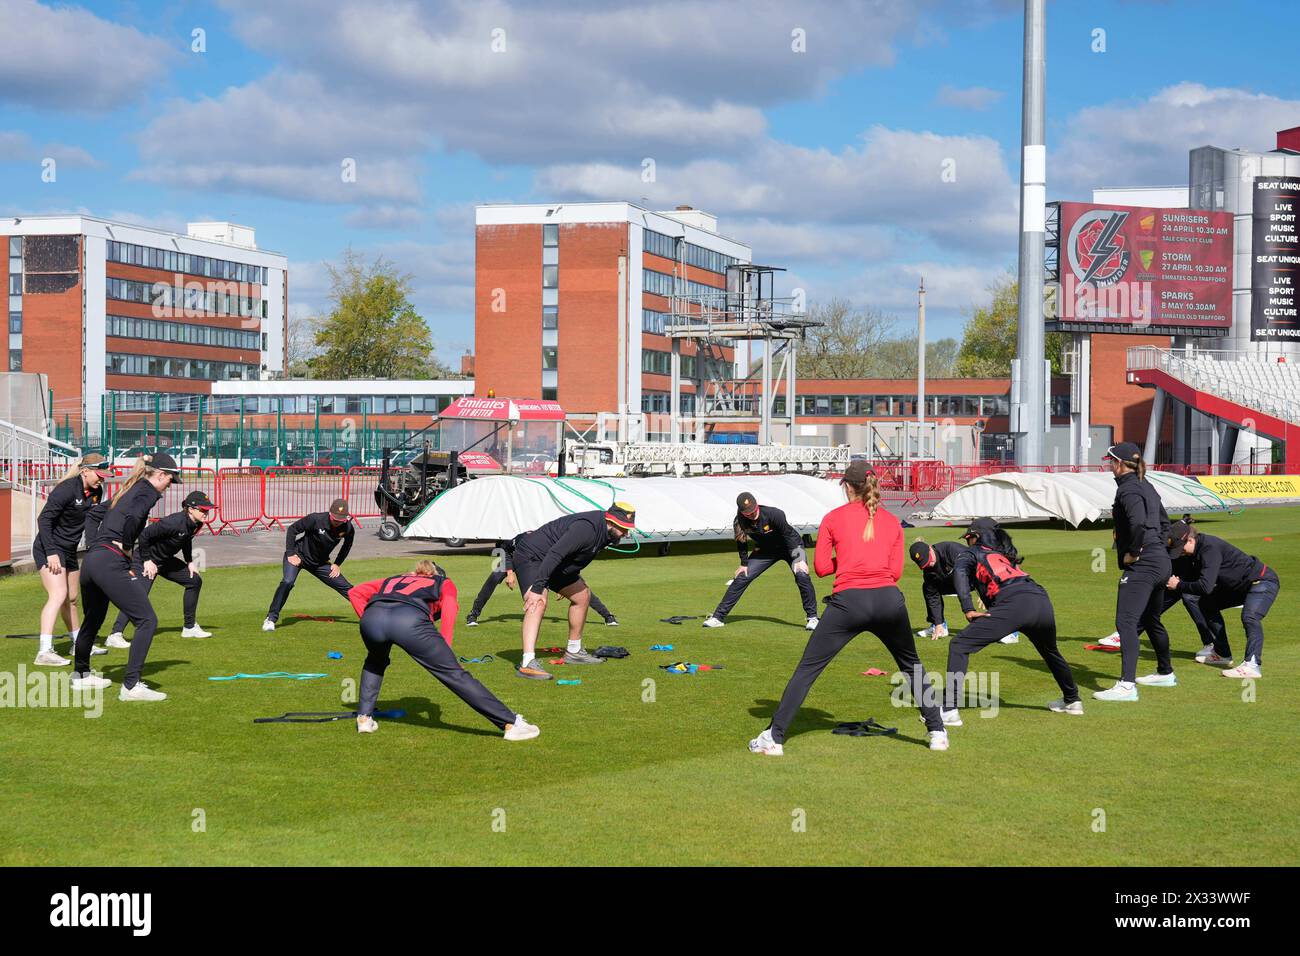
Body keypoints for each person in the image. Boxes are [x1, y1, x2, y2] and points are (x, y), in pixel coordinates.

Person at [749, 461, 950, 755]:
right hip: (888, 601)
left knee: (808, 669)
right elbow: (893, 573)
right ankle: (937, 732)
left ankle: (774, 737)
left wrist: (845, 561)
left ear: (847, 486)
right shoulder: (893, 522)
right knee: (912, 666)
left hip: (849, 602)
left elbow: (819, 568)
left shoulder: (833, 518)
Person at [346, 561, 539, 740]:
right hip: (409, 620)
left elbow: (355, 592)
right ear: (435, 574)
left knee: (375, 661)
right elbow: (449, 606)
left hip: (371, 618)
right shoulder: (443, 581)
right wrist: (445, 644)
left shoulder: (395, 578)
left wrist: (370, 621)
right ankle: (510, 723)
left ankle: (364, 718)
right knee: (454, 675)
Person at [942, 518, 1082, 724]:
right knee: (1050, 652)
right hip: (1041, 599)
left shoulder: (970, 553)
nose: (967, 542)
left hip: (1015, 604)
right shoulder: (1004, 554)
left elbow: (960, 573)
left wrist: (968, 608)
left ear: (977, 537)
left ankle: (948, 710)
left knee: (959, 644)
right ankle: (1072, 700)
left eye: (969, 537)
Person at [72, 452, 182, 701]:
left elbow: (93, 515)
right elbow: (132, 518)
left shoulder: (128, 489)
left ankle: (80, 675)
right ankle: (131, 686)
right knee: (147, 620)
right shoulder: (146, 491)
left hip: (92, 562)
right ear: (161, 475)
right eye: (169, 480)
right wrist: (127, 548)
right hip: (109, 559)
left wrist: (93, 547)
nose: (168, 487)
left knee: (93, 620)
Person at [513, 503, 636, 680]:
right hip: (533, 556)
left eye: (628, 528)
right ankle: (527, 662)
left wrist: (567, 581)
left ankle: (574, 652)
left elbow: (578, 556)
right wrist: (538, 588)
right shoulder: (586, 528)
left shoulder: (607, 534)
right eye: (623, 528)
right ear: (610, 521)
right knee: (537, 601)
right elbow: (556, 553)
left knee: (582, 595)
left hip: (555, 563)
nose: (626, 533)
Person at [1094, 442, 1172, 702]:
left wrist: (1136, 552)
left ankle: (1127, 685)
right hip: (1160, 561)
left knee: (1126, 622)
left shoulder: (1128, 490)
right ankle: (1165, 672)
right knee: (1151, 620)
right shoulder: (1147, 486)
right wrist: (1158, 549)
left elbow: (1139, 523)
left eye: (1110, 462)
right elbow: (1164, 523)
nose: (1109, 466)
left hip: (1144, 563)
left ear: (1118, 464)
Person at [1165, 519, 1277, 680]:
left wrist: (1179, 585)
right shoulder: (1195, 551)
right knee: (1206, 603)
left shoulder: (1209, 548)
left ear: (1190, 539)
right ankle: (1222, 654)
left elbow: (1205, 586)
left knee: (1250, 617)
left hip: (1261, 581)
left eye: (1180, 547)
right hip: (1239, 587)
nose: (1180, 552)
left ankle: (1252, 665)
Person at [32, 453, 113, 666]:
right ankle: (44, 651)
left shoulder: (97, 491)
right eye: (99, 474)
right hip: (49, 547)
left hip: (68, 550)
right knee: (58, 594)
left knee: (73, 598)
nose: (102, 479)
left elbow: (91, 521)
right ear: (85, 471)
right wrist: (51, 551)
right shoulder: (66, 489)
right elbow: (44, 519)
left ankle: (78, 642)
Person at [106, 491, 215, 647]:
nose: (207, 513)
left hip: (164, 561)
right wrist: (147, 560)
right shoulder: (173, 522)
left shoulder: (196, 523)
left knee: (194, 581)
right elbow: (144, 535)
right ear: (191, 509)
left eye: (208, 510)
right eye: (203, 510)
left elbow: (186, 539)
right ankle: (115, 634)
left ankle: (189, 627)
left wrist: (190, 561)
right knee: (138, 595)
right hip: (145, 560)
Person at [702, 491, 819, 631]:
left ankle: (812, 618)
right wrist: (744, 564)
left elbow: (789, 536)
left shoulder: (775, 514)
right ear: (741, 512)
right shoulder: (739, 520)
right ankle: (718, 617)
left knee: (801, 575)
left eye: (753, 510)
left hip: (791, 546)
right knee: (742, 577)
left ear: (757, 505)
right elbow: (741, 541)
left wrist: (799, 560)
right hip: (766, 550)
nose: (751, 514)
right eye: (747, 513)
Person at [466, 539, 619, 627]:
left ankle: (607, 616)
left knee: (578, 586)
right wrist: (510, 572)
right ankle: (473, 614)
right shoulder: (521, 535)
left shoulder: (553, 539)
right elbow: (504, 550)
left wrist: (562, 586)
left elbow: (560, 560)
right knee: (493, 577)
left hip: (538, 564)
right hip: (514, 560)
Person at [262, 498, 355, 631]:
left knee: (346, 587)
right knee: (288, 582)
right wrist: (290, 553)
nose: (337, 523)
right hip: (298, 557)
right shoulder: (315, 519)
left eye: (341, 520)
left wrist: (337, 563)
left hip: (320, 563)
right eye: (335, 519)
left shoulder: (348, 528)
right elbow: (293, 530)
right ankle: (270, 619)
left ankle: (369, 613)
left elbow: (347, 545)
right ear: (330, 514)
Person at [907, 539, 1020, 644]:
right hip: (954, 581)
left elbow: (979, 566)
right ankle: (940, 626)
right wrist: (937, 623)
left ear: (930, 549)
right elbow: (933, 596)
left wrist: (983, 588)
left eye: (929, 559)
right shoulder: (928, 569)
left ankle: (1011, 632)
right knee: (928, 587)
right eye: (925, 564)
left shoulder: (952, 550)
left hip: (976, 576)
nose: (929, 564)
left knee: (992, 593)